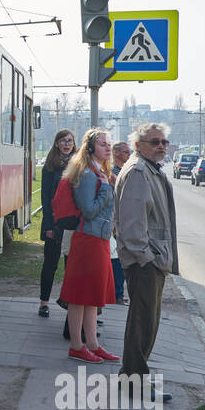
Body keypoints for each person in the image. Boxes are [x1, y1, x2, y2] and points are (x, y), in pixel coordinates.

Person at [115, 122, 180, 402]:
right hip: (146, 262)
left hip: (153, 259)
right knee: (143, 324)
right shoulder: (139, 172)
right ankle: (135, 382)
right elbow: (131, 225)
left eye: (164, 142)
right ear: (139, 145)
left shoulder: (150, 169)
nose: (161, 146)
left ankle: (130, 377)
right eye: (154, 142)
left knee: (145, 322)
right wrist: (145, 259)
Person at [59, 128, 118, 362]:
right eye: (103, 144)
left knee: (92, 295)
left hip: (98, 239)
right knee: (79, 295)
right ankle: (76, 345)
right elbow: (89, 210)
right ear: (91, 148)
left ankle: (92, 344)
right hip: (88, 239)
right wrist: (105, 188)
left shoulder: (98, 171)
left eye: (108, 143)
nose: (108, 147)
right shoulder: (88, 174)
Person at [37, 130, 76, 318]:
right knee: (50, 264)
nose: (67, 144)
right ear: (56, 144)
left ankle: (72, 307)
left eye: (70, 141)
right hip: (54, 222)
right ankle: (44, 302)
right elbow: (45, 199)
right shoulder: (49, 167)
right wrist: (49, 226)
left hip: (72, 223)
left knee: (72, 267)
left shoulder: (78, 165)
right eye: (63, 141)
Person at [110, 140, 132, 305]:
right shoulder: (112, 172)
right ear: (116, 153)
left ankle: (117, 293)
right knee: (116, 260)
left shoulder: (124, 171)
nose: (129, 155)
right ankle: (116, 294)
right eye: (126, 152)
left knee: (120, 259)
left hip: (123, 221)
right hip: (114, 223)